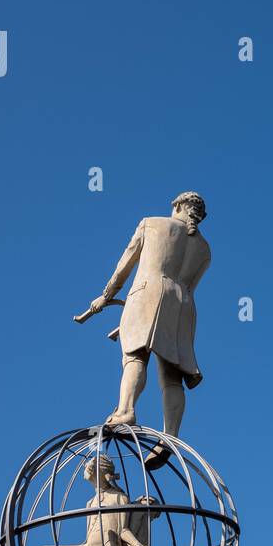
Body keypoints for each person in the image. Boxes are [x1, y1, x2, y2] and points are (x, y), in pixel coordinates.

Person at [84, 192, 210, 467]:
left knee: (135, 356)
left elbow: (124, 267)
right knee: (172, 376)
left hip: (147, 294)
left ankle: (126, 411)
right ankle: (171, 437)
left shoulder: (151, 224)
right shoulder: (205, 249)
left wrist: (105, 296)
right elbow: (187, 287)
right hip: (184, 306)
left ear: (176, 205)